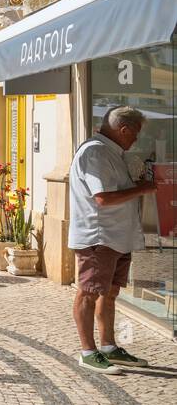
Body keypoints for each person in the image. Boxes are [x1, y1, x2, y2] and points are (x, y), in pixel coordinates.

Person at [68, 105, 157, 374]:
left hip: (117, 236)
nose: (136, 140)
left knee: (109, 293)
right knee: (89, 291)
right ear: (124, 129)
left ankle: (108, 347)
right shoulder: (95, 152)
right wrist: (143, 189)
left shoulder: (111, 152)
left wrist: (136, 184)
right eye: (136, 134)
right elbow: (103, 198)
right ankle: (87, 352)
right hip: (99, 237)